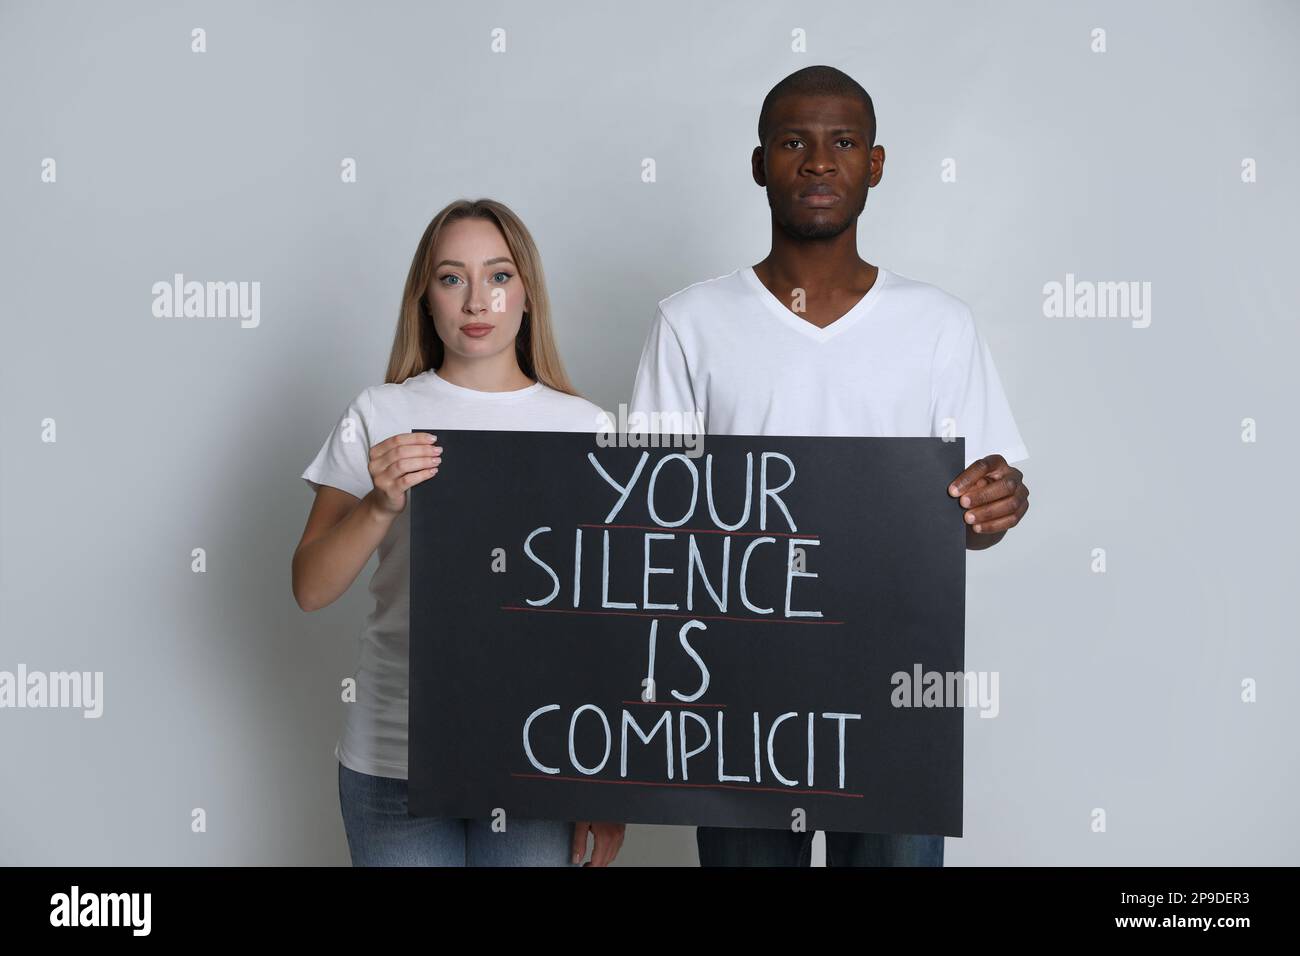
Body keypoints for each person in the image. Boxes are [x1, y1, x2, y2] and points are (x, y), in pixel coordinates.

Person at [629, 65, 1031, 867]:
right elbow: (644, 520)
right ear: (759, 164)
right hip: (739, 697)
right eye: (793, 143)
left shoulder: (938, 326)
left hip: (893, 690)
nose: (818, 162)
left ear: (875, 164)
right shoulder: (691, 323)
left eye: (842, 142)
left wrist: (997, 505)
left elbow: (979, 507)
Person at [293, 198, 625, 867]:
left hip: (537, 755)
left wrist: (607, 782)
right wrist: (378, 507)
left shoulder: (585, 428)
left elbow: (606, 621)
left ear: (527, 295)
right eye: (452, 278)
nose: (478, 300)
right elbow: (310, 587)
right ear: (427, 298)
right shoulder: (380, 412)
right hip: (395, 757)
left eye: (499, 277)